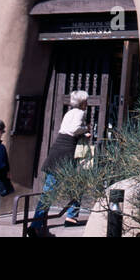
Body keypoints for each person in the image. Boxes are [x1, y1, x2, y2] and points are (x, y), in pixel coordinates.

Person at [28, 91, 91, 236]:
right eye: (86, 101)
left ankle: (37, 223)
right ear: (82, 102)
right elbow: (74, 129)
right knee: (76, 185)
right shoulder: (80, 113)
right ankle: (71, 217)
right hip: (67, 152)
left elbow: (66, 130)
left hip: (57, 150)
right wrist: (85, 130)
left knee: (48, 190)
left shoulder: (68, 113)